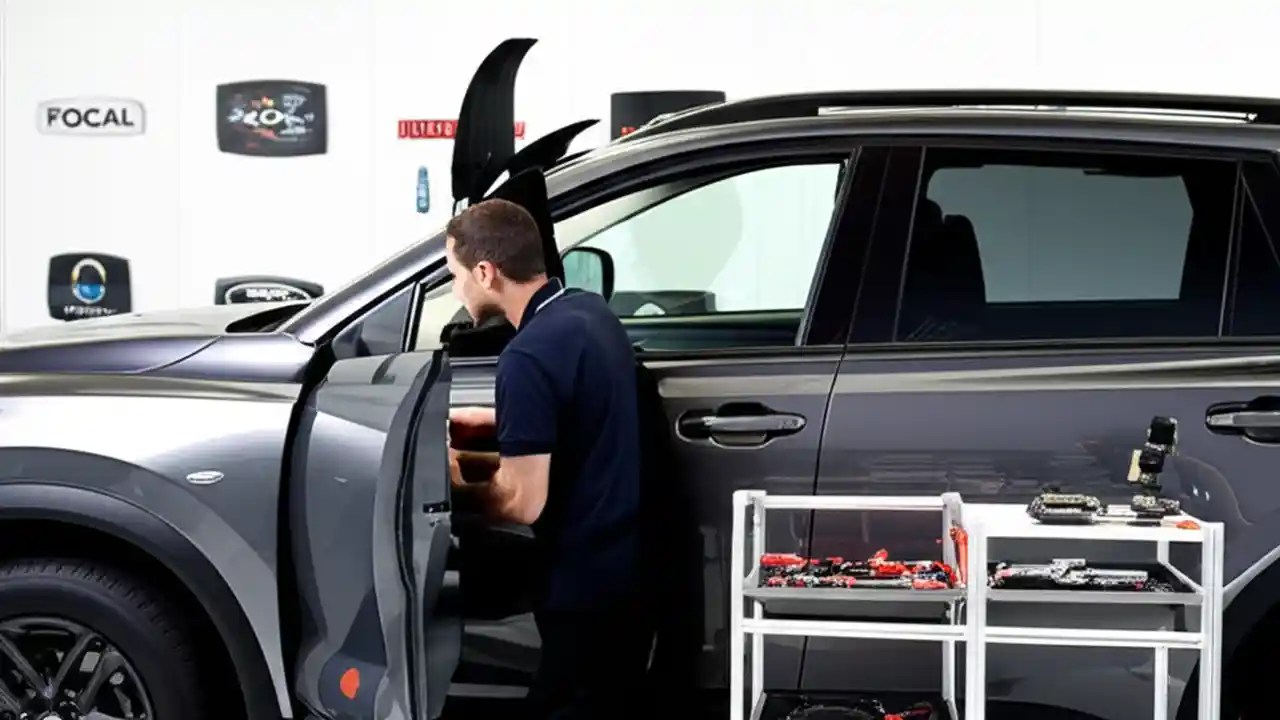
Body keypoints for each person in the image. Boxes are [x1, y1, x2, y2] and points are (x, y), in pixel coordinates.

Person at [443, 198, 651, 719]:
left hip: (579, 585)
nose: (455, 289)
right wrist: (471, 426)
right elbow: (575, 417)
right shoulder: (588, 313)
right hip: (627, 570)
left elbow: (520, 502)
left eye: (455, 275)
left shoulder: (527, 356)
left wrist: (447, 482)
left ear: (486, 272)